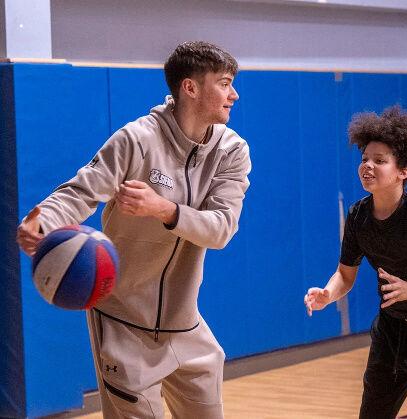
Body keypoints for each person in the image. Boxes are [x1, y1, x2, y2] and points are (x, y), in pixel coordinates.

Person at [16, 41, 249, 418]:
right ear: (190, 87)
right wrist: (42, 222)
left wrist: (163, 209)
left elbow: (221, 229)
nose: (234, 94)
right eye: (224, 83)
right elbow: (81, 192)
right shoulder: (136, 140)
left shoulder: (232, 151)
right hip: (123, 323)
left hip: (185, 324)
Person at [304, 106, 407, 419]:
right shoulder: (357, 216)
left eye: (380, 161)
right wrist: (328, 293)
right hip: (392, 327)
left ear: (402, 171)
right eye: (365, 158)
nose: (368, 166)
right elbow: (345, 274)